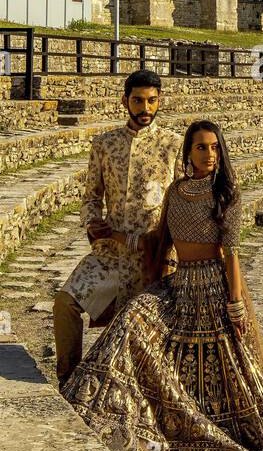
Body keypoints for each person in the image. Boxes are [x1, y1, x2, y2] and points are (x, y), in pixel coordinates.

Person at [61, 119, 263, 451]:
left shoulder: (226, 194)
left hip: (214, 289)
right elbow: (161, 240)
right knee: (132, 320)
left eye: (214, 147)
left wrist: (234, 304)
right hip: (179, 286)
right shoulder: (177, 191)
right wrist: (129, 252)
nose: (209, 154)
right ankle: (102, 409)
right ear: (188, 152)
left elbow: (230, 253)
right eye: (201, 147)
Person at [52, 70, 179, 389]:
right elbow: (91, 197)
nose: (145, 108)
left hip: (153, 259)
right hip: (110, 254)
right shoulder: (105, 144)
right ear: (125, 101)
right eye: (138, 100)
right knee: (65, 303)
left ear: (159, 101)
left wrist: (169, 253)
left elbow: (179, 204)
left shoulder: (173, 145)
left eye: (151, 101)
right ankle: (68, 378)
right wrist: (91, 222)